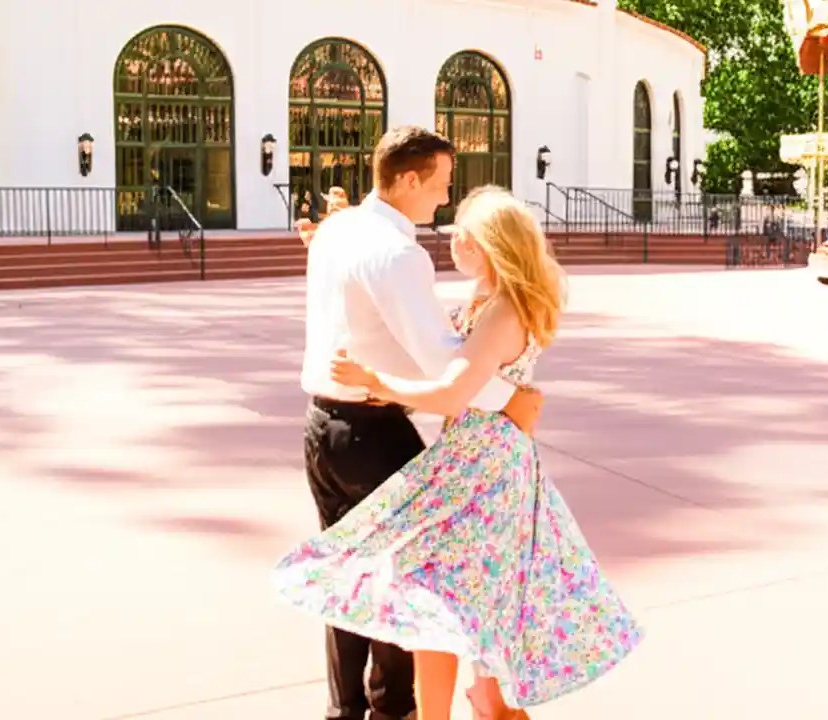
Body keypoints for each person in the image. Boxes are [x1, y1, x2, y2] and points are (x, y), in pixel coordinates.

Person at [274, 186, 642, 720]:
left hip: (485, 464)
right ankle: (478, 705)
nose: (450, 240)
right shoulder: (485, 301)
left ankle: (464, 710)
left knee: (438, 600)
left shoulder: (503, 311)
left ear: (488, 244)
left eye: (461, 234)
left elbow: (452, 391)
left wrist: (381, 383)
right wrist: (334, 245)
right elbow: (424, 345)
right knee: (453, 601)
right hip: (474, 456)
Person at [292, 127, 542, 720]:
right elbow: (444, 363)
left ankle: (346, 708)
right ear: (407, 179)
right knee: (411, 582)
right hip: (374, 429)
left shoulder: (339, 228)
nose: (444, 199)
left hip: (321, 428)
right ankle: (394, 708)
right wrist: (517, 398)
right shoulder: (398, 253)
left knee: (347, 574)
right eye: (439, 184)